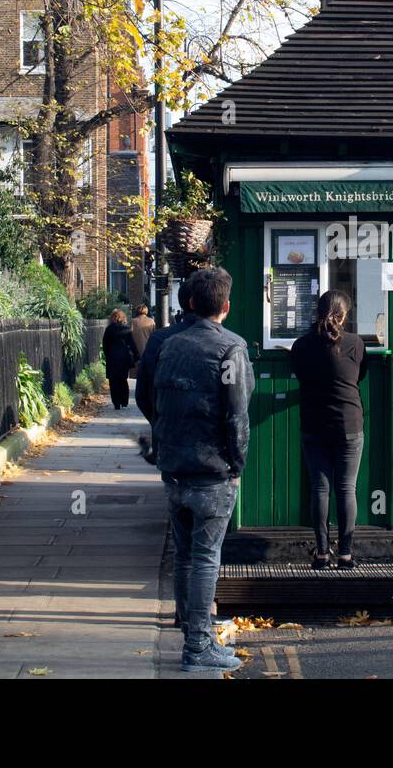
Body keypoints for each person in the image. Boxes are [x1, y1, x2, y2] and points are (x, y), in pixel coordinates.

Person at [152, 267, 252, 673]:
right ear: (225, 307)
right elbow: (237, 416)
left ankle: (192, 629)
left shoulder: (169, 346)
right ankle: (198, 646)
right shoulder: (231, 348)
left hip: (174, 466)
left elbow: (153, 401)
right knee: (207, 557)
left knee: (185, 554)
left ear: (191, 303)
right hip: (212, 469)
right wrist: (236, 464)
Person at [290, 291, 368, 570]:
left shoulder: (301, 345)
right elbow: (359, 375)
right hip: (349, 423)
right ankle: (345, 554)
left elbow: (300, 375)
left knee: (320, 489)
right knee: (347, 489)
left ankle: (322, 554)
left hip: (313, 424)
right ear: (344, 314)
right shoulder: (356, 344)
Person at [135, 279, 196, 463]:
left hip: (168, 440)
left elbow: (142, 395)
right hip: (210, 451)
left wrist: (158, 421)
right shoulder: (228, 343)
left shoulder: (159, 339)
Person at [101, 308, 139, 410]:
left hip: (112, 358)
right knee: (123, 379)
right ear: (123, 318)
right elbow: (132, 344)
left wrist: (108, 354)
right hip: (124, 358)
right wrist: (136, 356)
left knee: (113, 381)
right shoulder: (127, 329)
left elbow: (105, 345)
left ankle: (116, 402)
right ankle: (124, 400)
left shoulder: (109, 330)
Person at [129, 304, 156, 372]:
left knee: (136, 372)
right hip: (148, 348)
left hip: (135, 349)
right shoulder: (151, 321)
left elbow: (130, 335)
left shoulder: (133, 321)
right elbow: (154, 334)